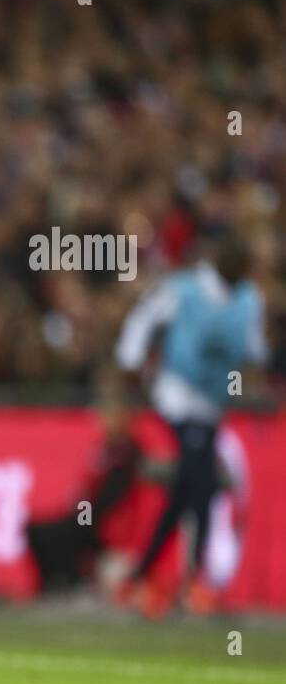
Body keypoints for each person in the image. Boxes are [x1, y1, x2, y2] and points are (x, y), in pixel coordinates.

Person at [114, 237, 268, 616]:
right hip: (178, 396)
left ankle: (142, 575)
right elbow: (144, 317)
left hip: (212, 404)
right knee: (202, 483)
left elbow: (255, 351)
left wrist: (254, 378)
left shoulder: (249, 301)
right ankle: (195, 582)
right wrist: (130, 361)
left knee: (186, 489)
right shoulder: (186, 289)